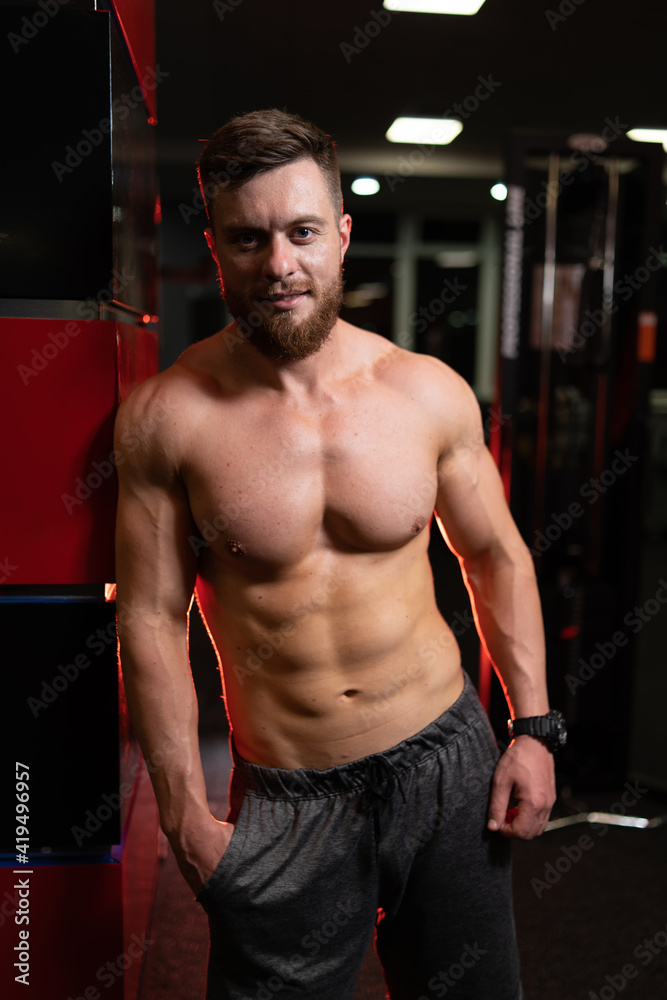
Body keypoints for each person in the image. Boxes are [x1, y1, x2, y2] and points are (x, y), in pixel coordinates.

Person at [114, 109, 557, 1000]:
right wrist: (183, 815)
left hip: (446, 762)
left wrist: (533, 730)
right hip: (289, 794)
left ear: (342, 236)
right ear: (216, 247)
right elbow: (151, 619)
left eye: (303, 232)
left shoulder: (424, 390)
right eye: (249, 238)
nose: (280, 265)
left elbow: (496, 557)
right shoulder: (170, 418)